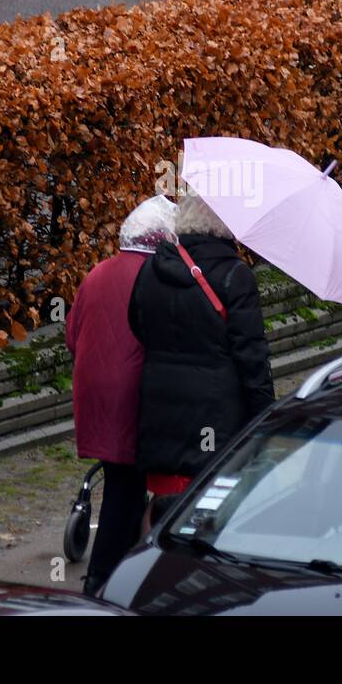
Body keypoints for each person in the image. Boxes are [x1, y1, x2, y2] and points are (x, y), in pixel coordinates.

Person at [128, 190, 275, 505]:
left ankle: (150, 554)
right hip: (216, 412)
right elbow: (252, 358)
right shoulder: (236, 276)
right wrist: (266, 416)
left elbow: (137, 326)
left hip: (160, 405)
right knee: (211, 502)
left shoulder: (151, 269)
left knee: (163, 502)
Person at [65, 194, 177, 596]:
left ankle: (124, 572)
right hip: (133, 396)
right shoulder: (159, 278)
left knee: (121, 479)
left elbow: (72, 336)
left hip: (93, 392)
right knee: (125, 489)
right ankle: (101, 581)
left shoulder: (97, 273)